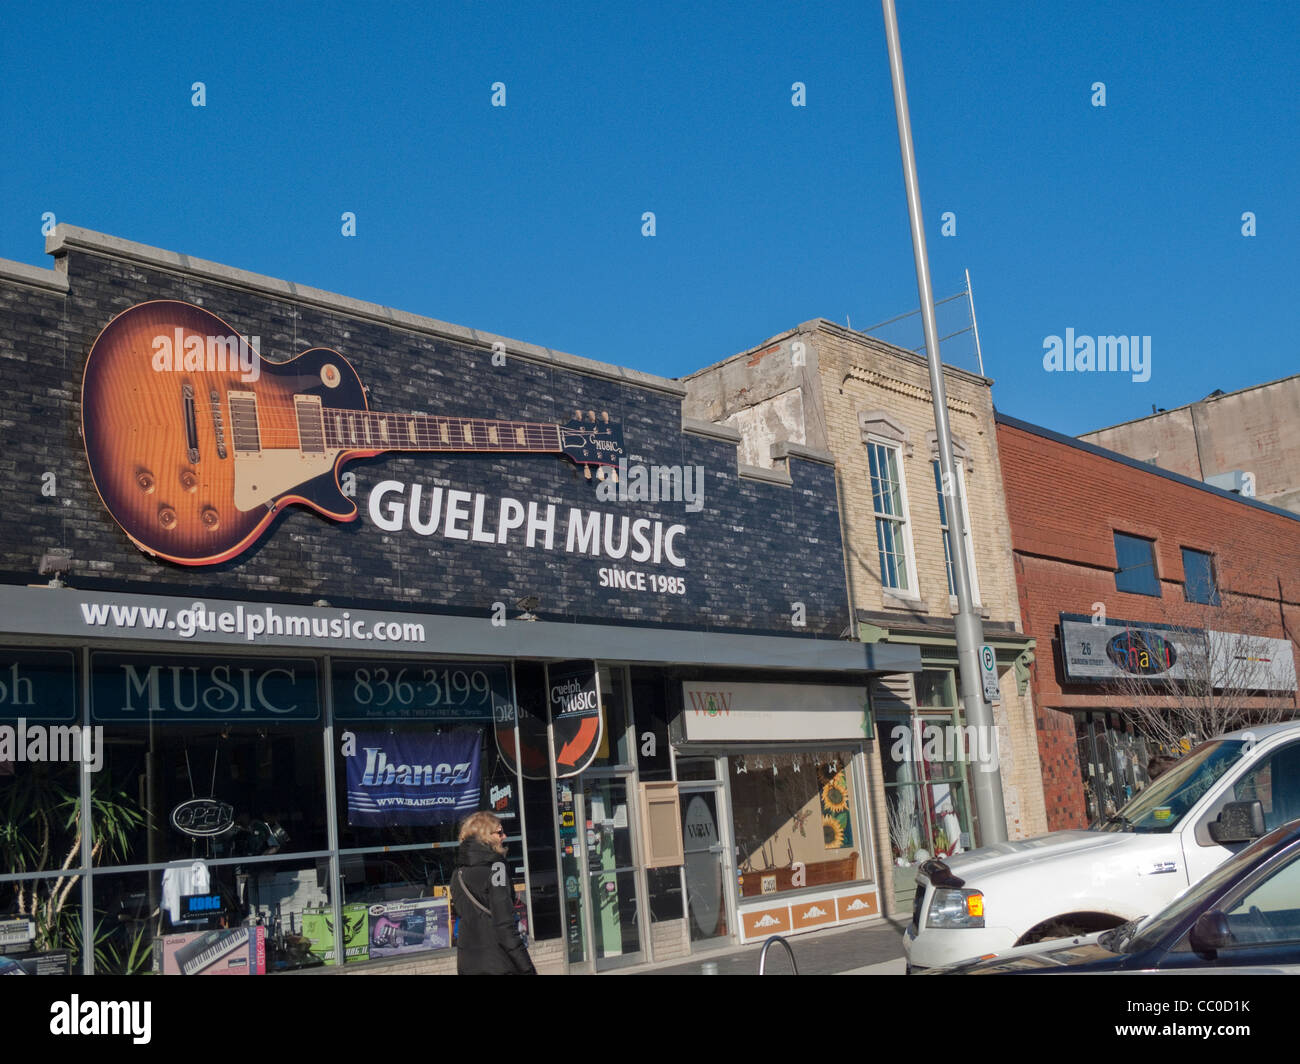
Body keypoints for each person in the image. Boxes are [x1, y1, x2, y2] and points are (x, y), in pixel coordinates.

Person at [450, 811, 536, 975]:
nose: (504, 836)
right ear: (485, 836)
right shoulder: (497, 869)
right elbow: (505, 926)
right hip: (498, 963)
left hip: (467, 963)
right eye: (499, 832)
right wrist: (527, 969)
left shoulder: (458, 873)